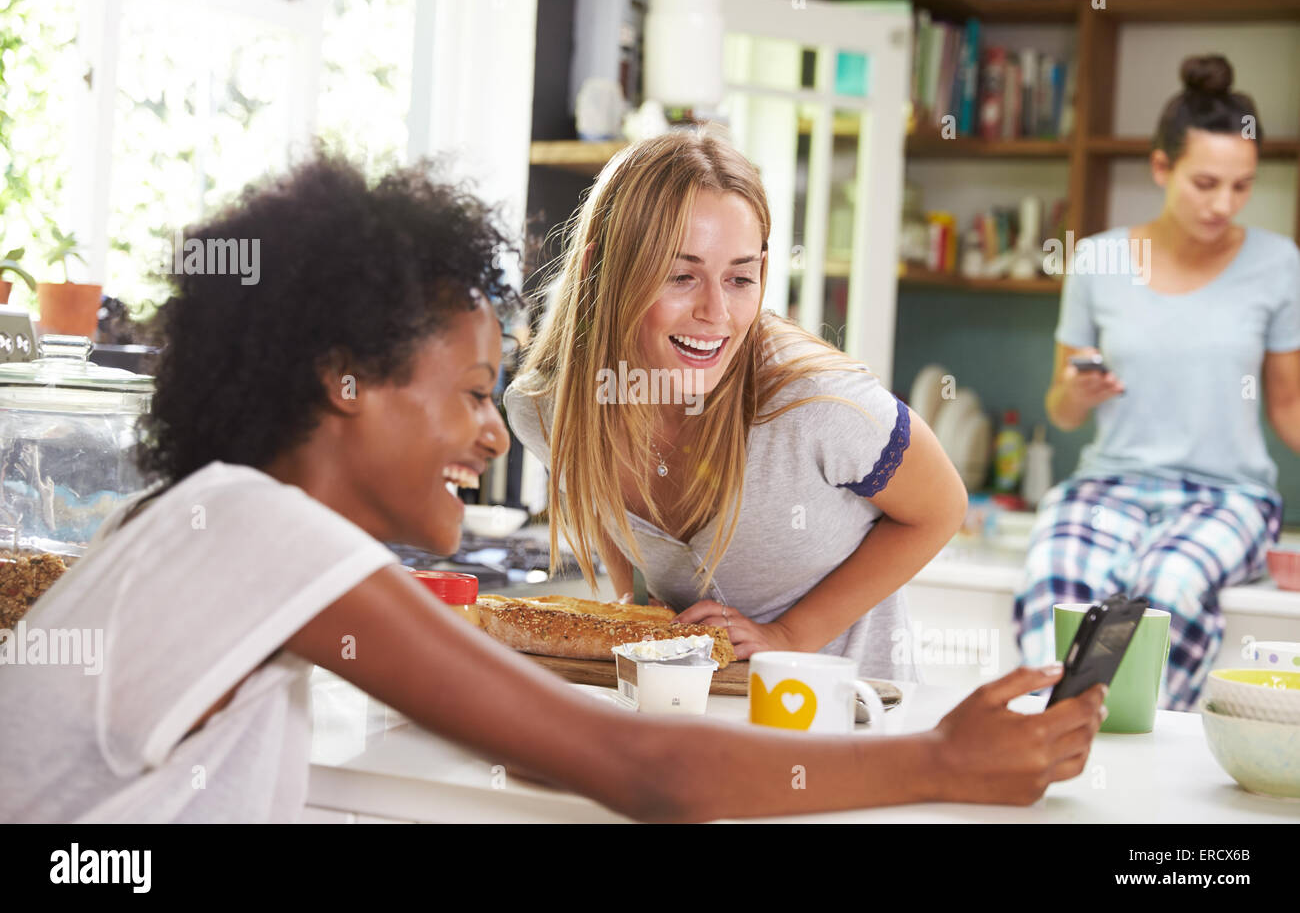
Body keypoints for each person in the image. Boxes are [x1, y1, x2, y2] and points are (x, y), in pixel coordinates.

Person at [0, 150, 1105, 823]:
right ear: (346, 385)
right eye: (471, 392)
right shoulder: (266, 535)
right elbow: (642, 768)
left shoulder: (201, 516)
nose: (494, 432)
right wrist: (939, 760)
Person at [506, 130, 961, 680]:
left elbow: (941, 510)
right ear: (599, 268)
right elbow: (606, 504)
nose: (717, 312)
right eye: (681, 276)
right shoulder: (551, 411)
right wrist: (636, 604)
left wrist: (789, 636)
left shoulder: (818, 406)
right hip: (699, 728)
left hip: (847, 727)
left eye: (740, 277)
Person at [1015, 54, 1300, 711]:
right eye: (1205, 183)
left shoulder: (1277, 264)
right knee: (1058, 579)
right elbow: (1060, 410)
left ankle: (1132, 748)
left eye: (1241, 186)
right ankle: (1046, 735)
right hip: (1108, 486)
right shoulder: (1098, 261)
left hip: (1226, 496)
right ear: (1162, 168)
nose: (1222, 204)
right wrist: (1076, 393)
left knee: (1165, 585)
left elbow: (1287, 406)